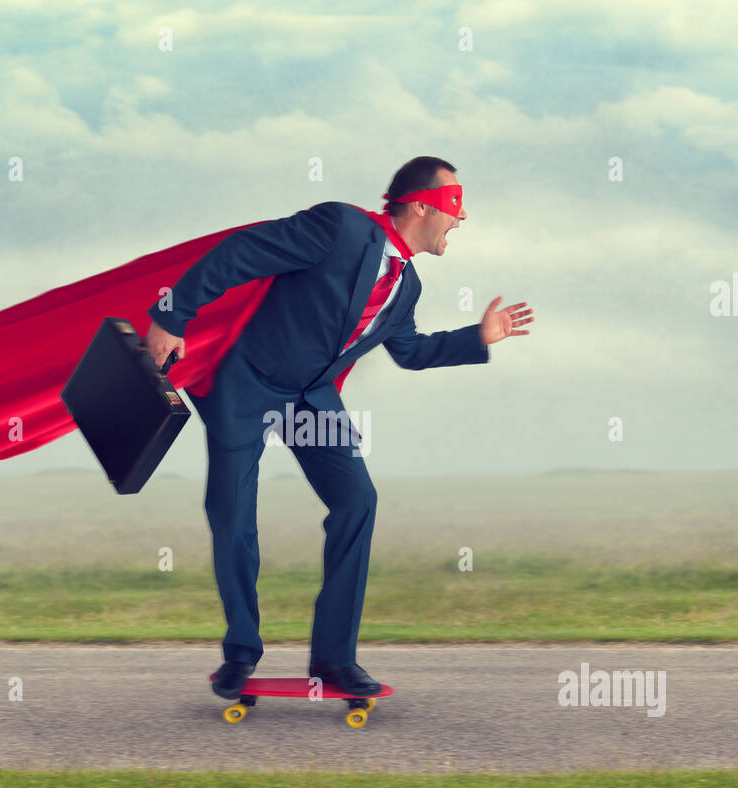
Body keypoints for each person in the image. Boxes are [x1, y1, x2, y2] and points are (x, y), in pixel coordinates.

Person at [144, 157, 533, 699]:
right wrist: (172, 315)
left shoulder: (407, 288)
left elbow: (412, 353)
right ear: (422, 204)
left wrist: (478, 337)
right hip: (249, 384)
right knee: (232, 512)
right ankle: (240, 654)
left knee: (358, 502)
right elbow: (241, 253)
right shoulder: (340, 227)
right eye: (455, 205)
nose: (461, 217)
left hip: (311, 402)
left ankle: (333, 658)